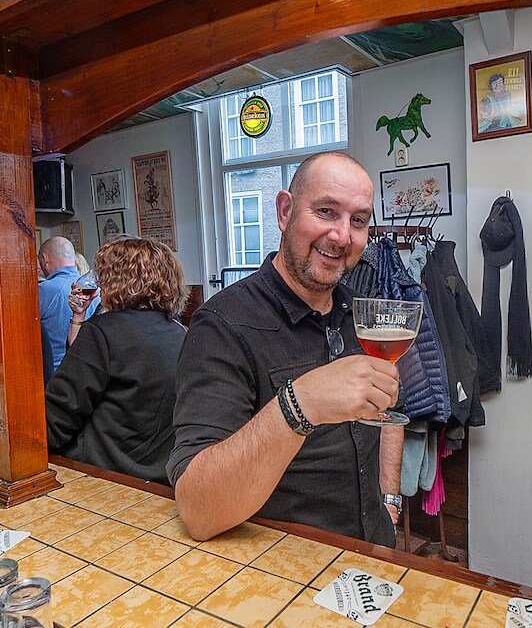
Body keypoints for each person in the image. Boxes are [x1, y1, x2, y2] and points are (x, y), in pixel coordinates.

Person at [167, 151, 403, 546]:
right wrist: (299, 405)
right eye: (326, 211)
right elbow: (198, 510)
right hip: (285, 570)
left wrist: (390, 501)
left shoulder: (360, 311)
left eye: (357, 220)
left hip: (372, 549)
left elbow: (391, 406)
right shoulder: (222, 325)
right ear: (284, 211)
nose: (343, 236)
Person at [0, 236, 188, 485]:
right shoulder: (179, 331)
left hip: (103, 477)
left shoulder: (105, 332)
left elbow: (47, 429)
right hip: (160, 477)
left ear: (114, 282)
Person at [37, 236, 98, 369]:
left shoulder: (43, 291)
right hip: (89, 371)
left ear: (44, 259)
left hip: (55, 374)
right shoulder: (96, 290)